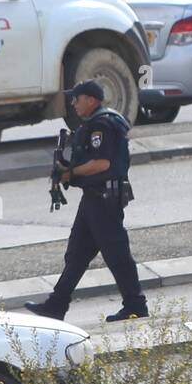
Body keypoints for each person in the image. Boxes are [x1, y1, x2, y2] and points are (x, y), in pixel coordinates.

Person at [25, 80, 148, 322]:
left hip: (104, 199)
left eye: (77, 98)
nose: (74, 103)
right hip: (93, 198)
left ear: (91, 100)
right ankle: (56, 305)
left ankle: (135, 305)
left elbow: (102, 164)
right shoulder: (94, 124)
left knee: (117, 254)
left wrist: (71, 173)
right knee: (77, 255)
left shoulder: (102, 125)